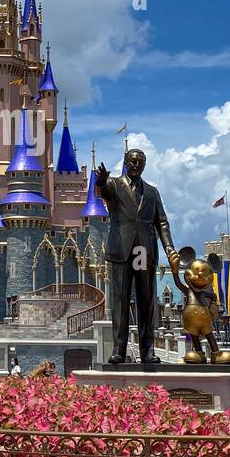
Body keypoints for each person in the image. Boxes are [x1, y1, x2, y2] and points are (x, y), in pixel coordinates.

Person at [96, 148, 179, 364]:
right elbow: (103, 193)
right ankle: (118, 350)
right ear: (125, 162)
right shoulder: (114, 184)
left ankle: (148, 351)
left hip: (143, 250)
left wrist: (169, 247)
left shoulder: (152, 192)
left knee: (146, 300)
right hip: (122, 250)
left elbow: (161, 222)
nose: (136, 165)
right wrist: (102, 182)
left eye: (140, 162)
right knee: (121, 300)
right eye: (132, 161)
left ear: (144, 165)